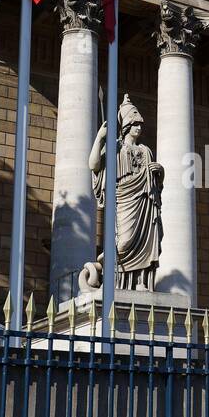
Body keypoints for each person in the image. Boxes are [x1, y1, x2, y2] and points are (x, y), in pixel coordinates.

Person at [83, 95, 164, 292]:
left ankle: (140, 282)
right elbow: (93, 165)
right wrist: (100, 138)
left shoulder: (146, 151)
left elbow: (154, 181)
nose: (139, 127)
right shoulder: (115, 147)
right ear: (127, 126)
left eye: (140, 124)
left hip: (144, 201)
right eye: (135, 124)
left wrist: (159, 171)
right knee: (123, 242)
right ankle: (108, 270)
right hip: (124, 199)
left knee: (145, 240)